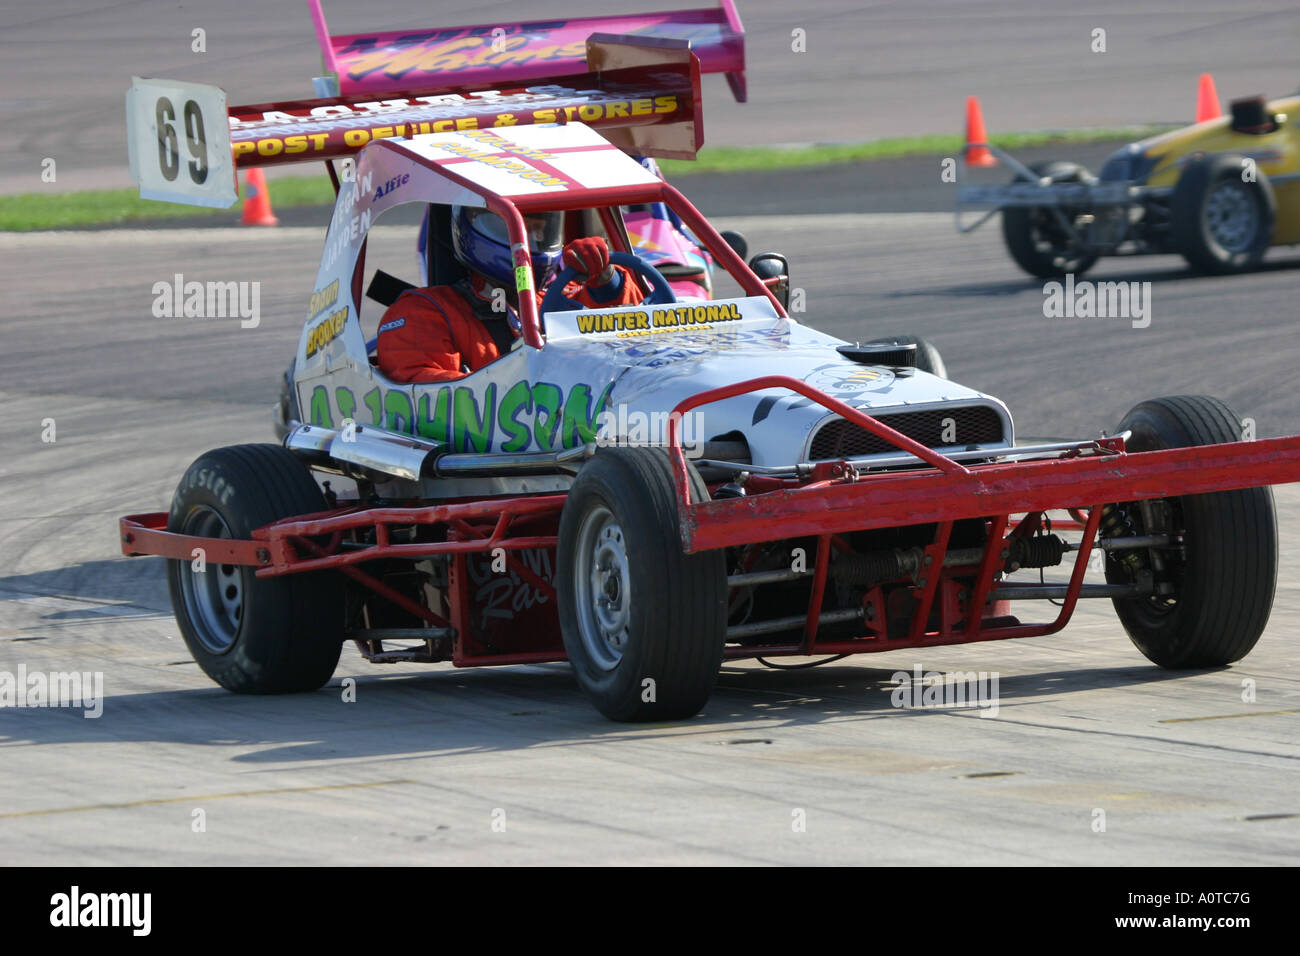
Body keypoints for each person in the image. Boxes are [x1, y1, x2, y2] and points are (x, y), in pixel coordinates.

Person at [378, 206, 643, 383]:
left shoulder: (560, 296)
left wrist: (607, 278)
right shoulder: (424, 313)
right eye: (516, 231)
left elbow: (631, 337)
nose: (528, 242)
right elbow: (430, 402)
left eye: (539, 232)